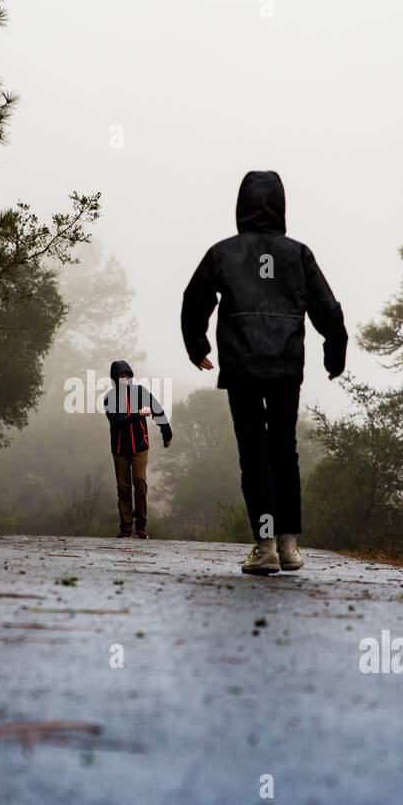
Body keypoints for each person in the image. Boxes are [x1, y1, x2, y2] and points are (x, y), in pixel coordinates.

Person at [180, 170, 347, 574]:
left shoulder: (223, 252)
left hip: (242, 366)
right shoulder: (298, 253)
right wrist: (333, 354)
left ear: (241, 205)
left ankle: (266, 544)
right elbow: (329, 308)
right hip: (286, 365)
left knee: (254, 453)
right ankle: (290, 546)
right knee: (284, 450)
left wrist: (197, 346)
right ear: (281, 205)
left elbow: (193, 300)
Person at [103, 359, 172, 538]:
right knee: (123, 488)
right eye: (120, 375)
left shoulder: (141, 392)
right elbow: (117, 421)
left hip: (140, 447)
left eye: (127, 375)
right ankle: (126, 528)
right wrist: (138, 414)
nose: (124, 378)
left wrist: (167, 433)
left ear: (131, 376)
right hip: (119, 450)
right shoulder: (109, 398)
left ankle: (141, 526)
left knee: (140, 482)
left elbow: (157, 410)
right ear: (115, 378)